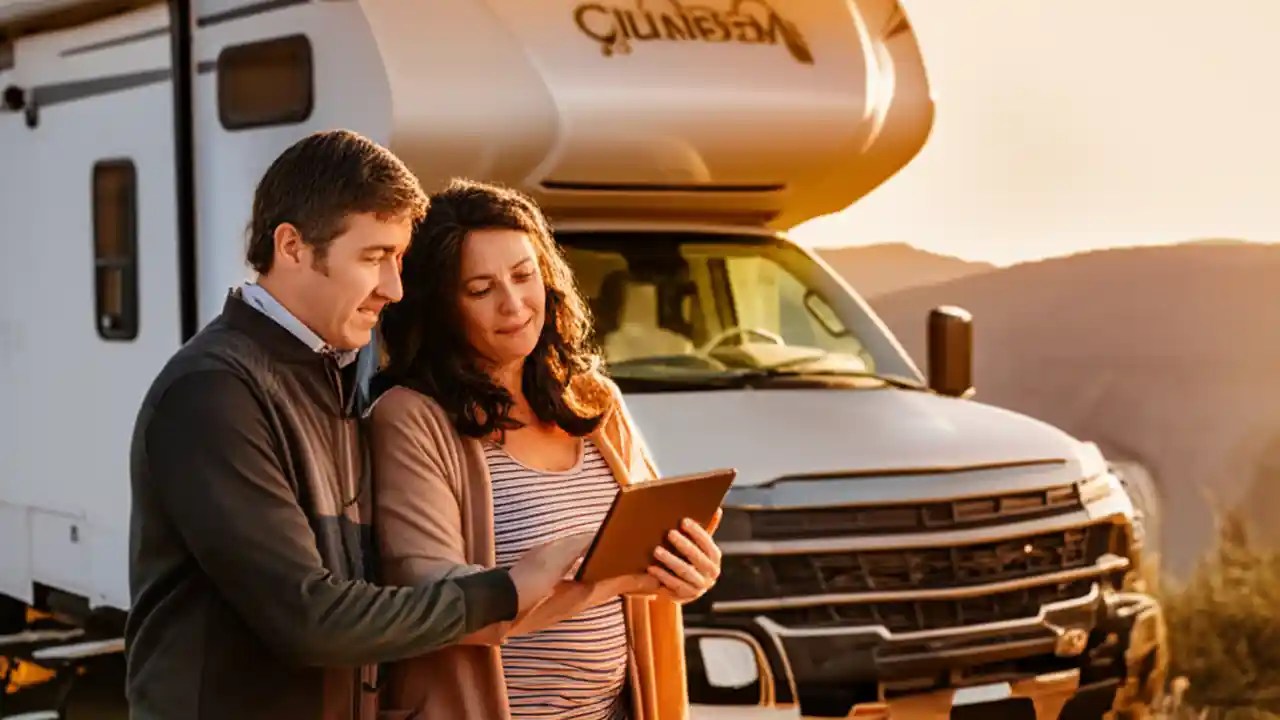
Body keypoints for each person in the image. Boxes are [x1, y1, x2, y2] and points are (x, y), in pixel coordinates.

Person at [125, 131, 588, 720]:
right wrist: (504, 591)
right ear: (291, 246)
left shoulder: (332, 372)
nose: (393, 289)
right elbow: (310, 619)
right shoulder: (213, 393)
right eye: (374, 258)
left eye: (398, 259)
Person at [370, 178, 724, 719]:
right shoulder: (412, 419)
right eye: (481, 289)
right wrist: (602, 584)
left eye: (523, 275)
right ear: (441, 306)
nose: (513, 305)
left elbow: (650, 556)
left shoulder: (593, 399)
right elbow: (435, 607)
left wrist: (686, 574)